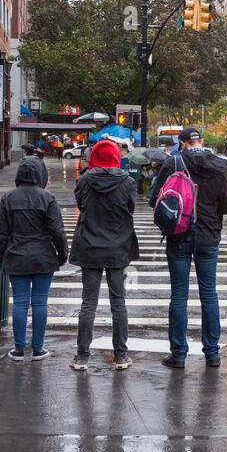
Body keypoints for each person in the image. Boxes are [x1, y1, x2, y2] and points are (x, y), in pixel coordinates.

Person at [147, 127, 227, 368]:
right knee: (209, 293)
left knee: (179, 294)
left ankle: (178, 354)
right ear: (201, 142)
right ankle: (212, 353)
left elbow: (154, 199)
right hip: (208, 236)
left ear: (182, 143)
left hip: (178, 235)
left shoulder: (173, 162)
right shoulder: (219, 165)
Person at [70, 138, 138, 371]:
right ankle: (120, 355)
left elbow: (80, 203)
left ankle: (81, 357)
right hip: (117, 247)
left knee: (88, 302)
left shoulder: (83, 181)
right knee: (118, 303)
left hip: (89, 246)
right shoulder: (128, 182)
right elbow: (131, 207)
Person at [0, 157, 68, 362]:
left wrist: (1, 256)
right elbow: (57, 231)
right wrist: (62, 255)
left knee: (19, 302)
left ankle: (18, 349)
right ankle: (38, 349)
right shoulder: (48, 198)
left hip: (16, 256)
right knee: (40, 302)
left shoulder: (8, 198)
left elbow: (1, 233)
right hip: (44, 257)